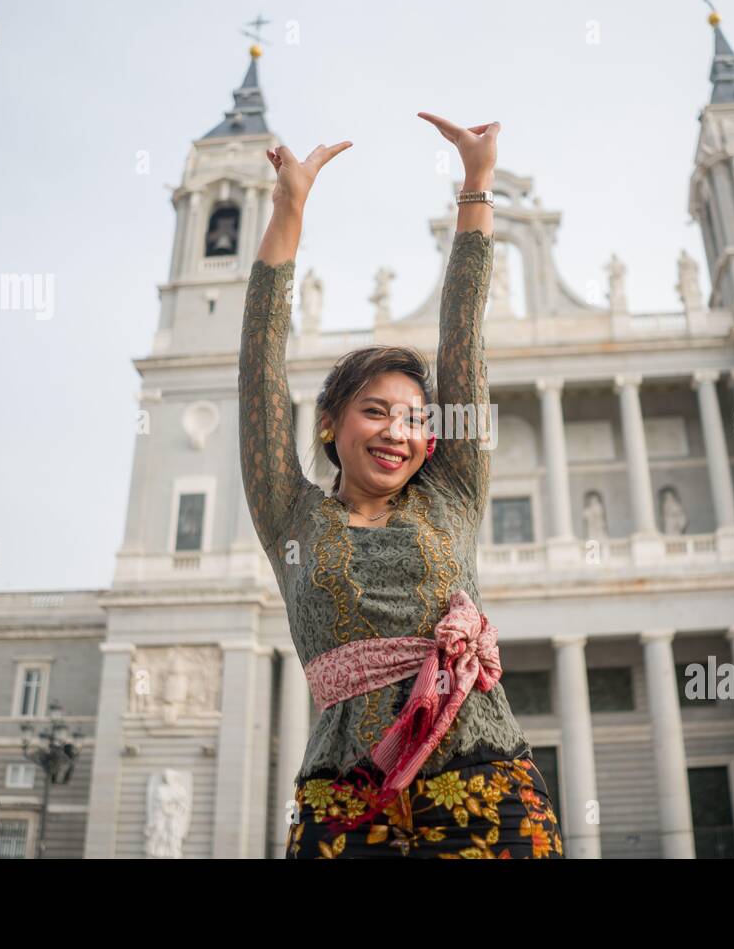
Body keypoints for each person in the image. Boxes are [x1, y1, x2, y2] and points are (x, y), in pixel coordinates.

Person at [239, 113, 563, 859]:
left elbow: (464, 338)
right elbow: (258, 368)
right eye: (375, 411)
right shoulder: (291, 516)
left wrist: (475, 187)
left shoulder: (452, 493)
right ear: (330, 425)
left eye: (414, 417)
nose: (397, 431)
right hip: (345, 795)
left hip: (484, 780)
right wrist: (290, 209)